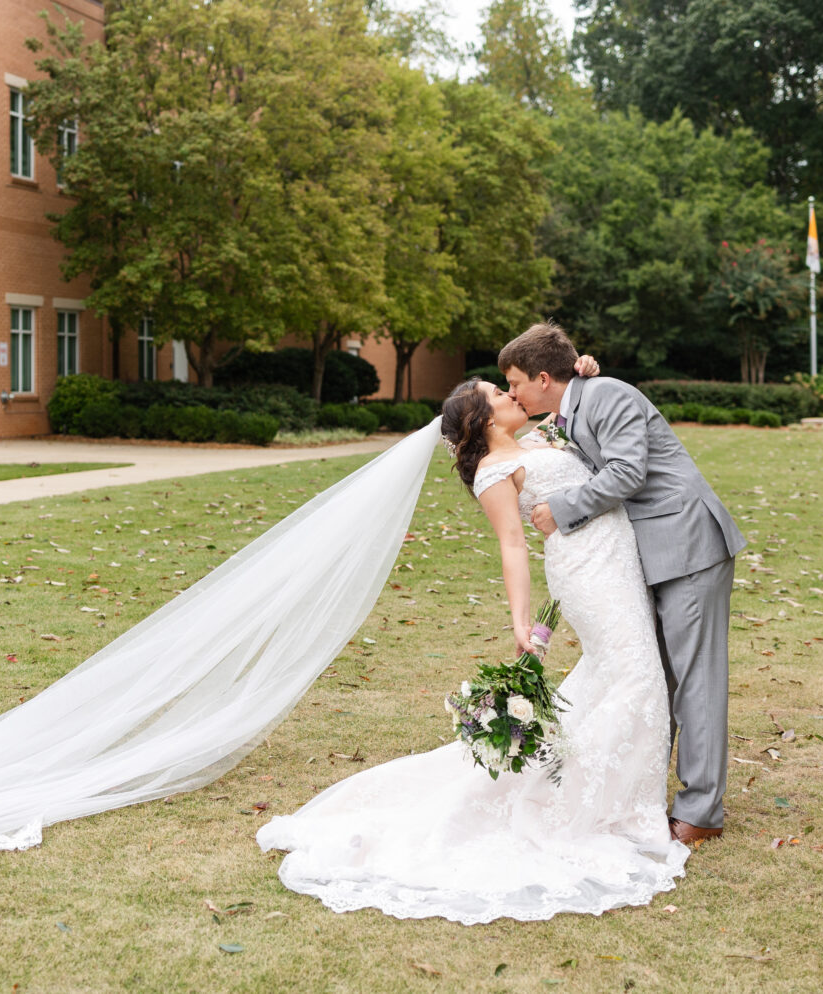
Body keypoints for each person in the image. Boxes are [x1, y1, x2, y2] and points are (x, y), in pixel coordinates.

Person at [255, 377, 689, 922]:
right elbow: (512, 543)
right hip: (587, 573)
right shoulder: (495, 471)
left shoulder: (540, 439)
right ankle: (603, 808)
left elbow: (573, 412)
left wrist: (581, 368)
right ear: (484, 419)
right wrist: (520, 620)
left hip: (617, 558)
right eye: (500, 395)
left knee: (618, 674)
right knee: (637, 675)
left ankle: (610, 794)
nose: (513, 397)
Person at [499, 321, 745, 844]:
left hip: (687, 546)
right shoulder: (573, 407)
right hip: (643, 558)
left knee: (694, 681)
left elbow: (628, 471)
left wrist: (559, 509)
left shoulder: (609, 395)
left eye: (516, 381)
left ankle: (701, 813)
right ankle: (640, 795)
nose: (512, 392)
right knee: (653, 678)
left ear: (543, 377)